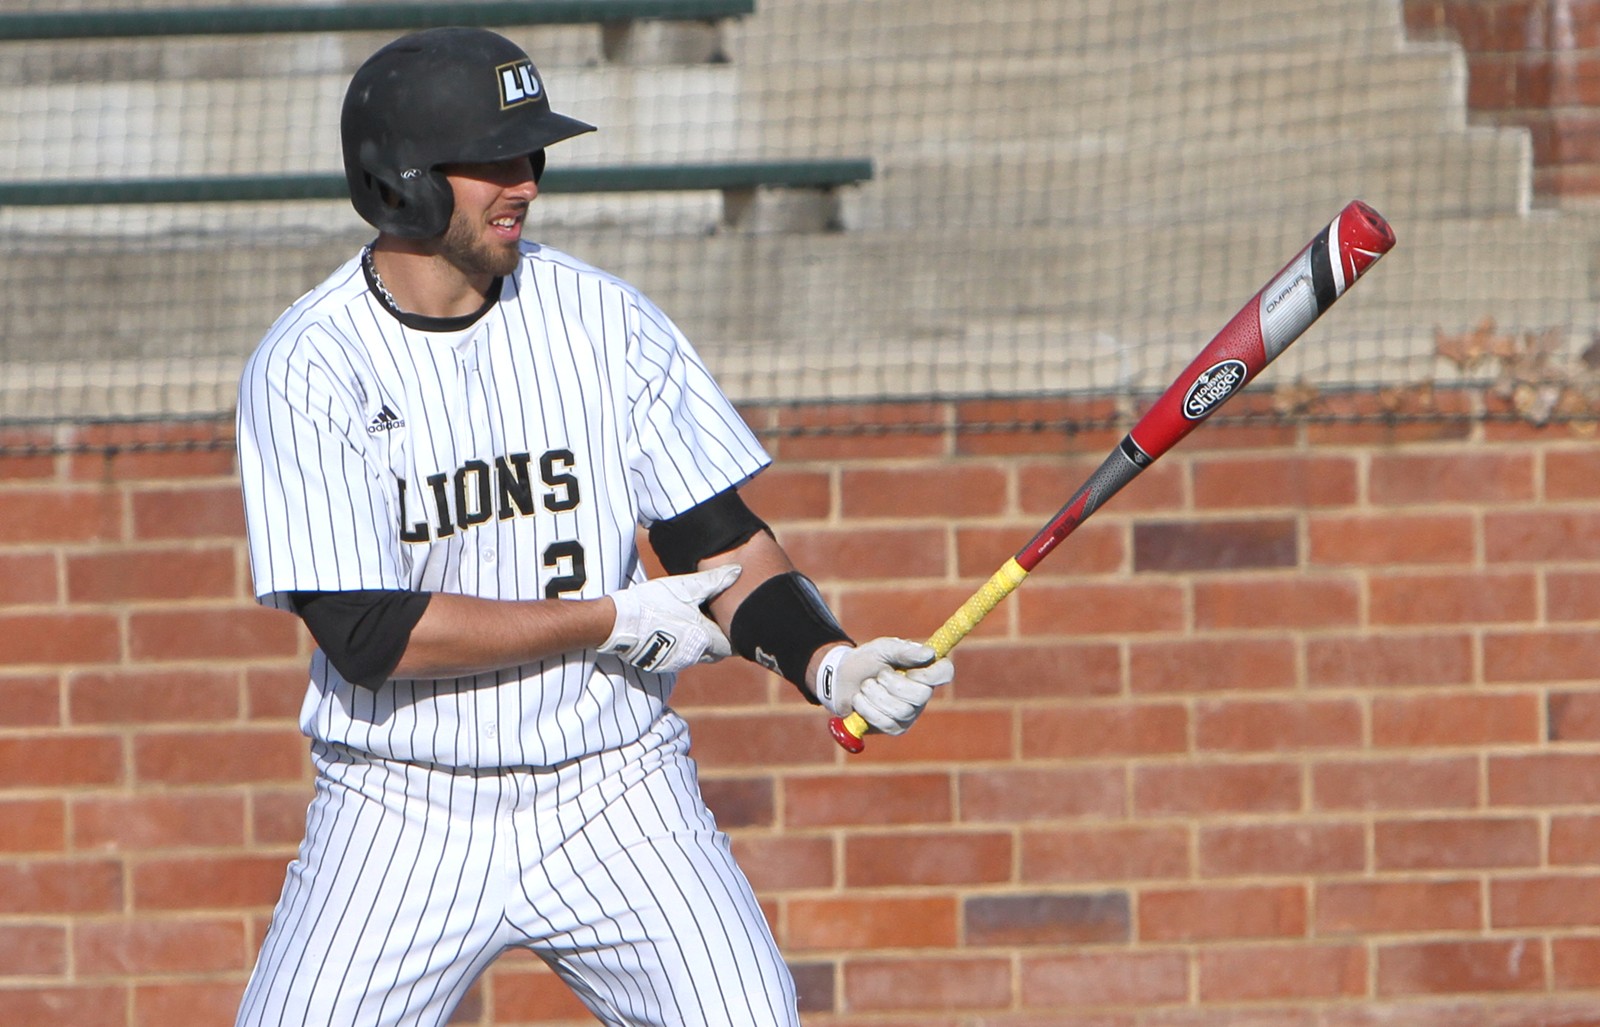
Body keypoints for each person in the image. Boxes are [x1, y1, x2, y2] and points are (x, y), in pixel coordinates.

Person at [233, 26, 954, 1027]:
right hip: (399, 803)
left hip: (612, 789)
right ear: (401, 181)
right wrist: (608, 618)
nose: (524, 181)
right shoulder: (310, 364)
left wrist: (824, 659)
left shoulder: (602, 319)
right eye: (491, 161)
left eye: (529, 154)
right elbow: (369, 633)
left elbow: (715, 535)